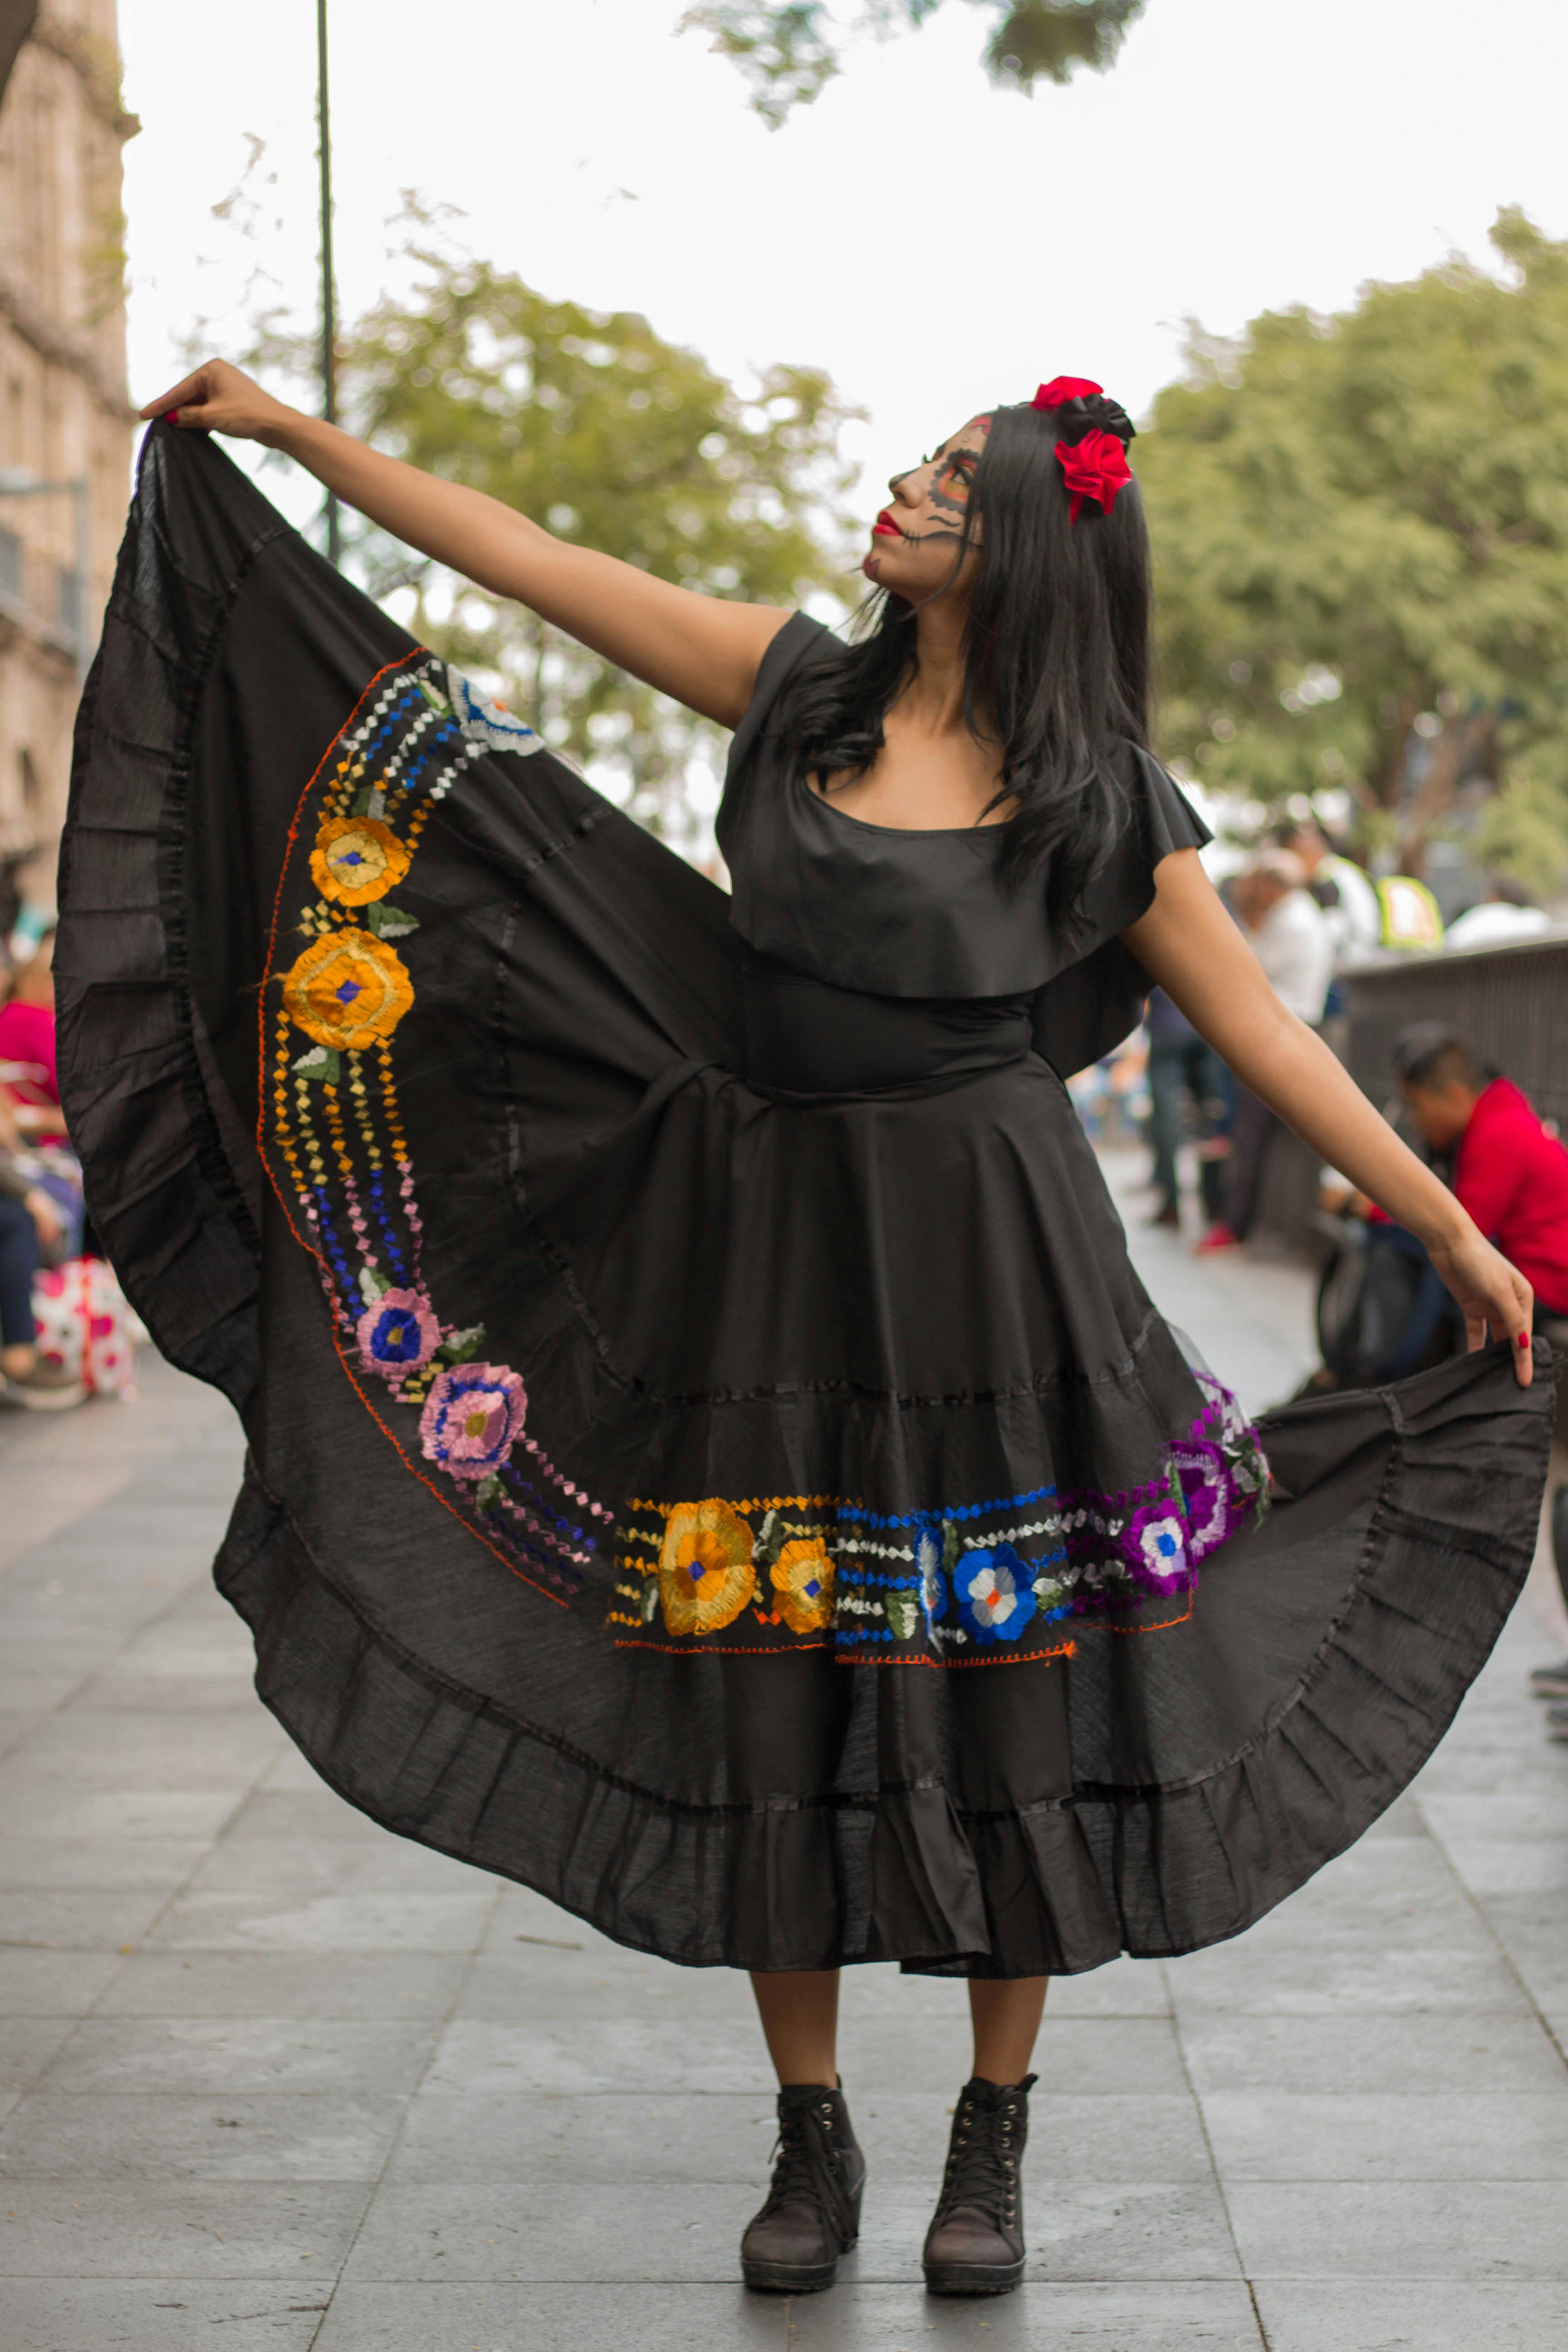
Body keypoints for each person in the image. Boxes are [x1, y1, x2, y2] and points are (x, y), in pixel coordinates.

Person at [57, 358, 1548, 2303]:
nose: (903, 491)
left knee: (1008, 1661)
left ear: (1017, 536)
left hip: (1000, 1267)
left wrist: (1445, 1224)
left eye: (947, 480)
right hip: (776, 1258)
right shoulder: (790, 691)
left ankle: (988, 2126)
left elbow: (1259, 1033)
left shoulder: (1093, 797)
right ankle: (808, 2123)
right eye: (916, 464)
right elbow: (528, 559)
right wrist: (299, 439)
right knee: (779, 1655)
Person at [1197, 851, 1333, 1253]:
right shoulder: (1299, 915)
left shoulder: (1290, 920)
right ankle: (1237, 1224)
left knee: (1249, 1137)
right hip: (1288, 1027)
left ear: (1272, 885)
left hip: (1278, 1032)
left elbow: (1246, 969)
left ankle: (1235, 1226)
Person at [1142, 987, 1227, 1229]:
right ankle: (1214, 1203)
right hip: (1205, 1028)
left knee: (1167, 1120)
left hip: (1166, 1028)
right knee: (1210, 1116)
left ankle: (1171, 1205)